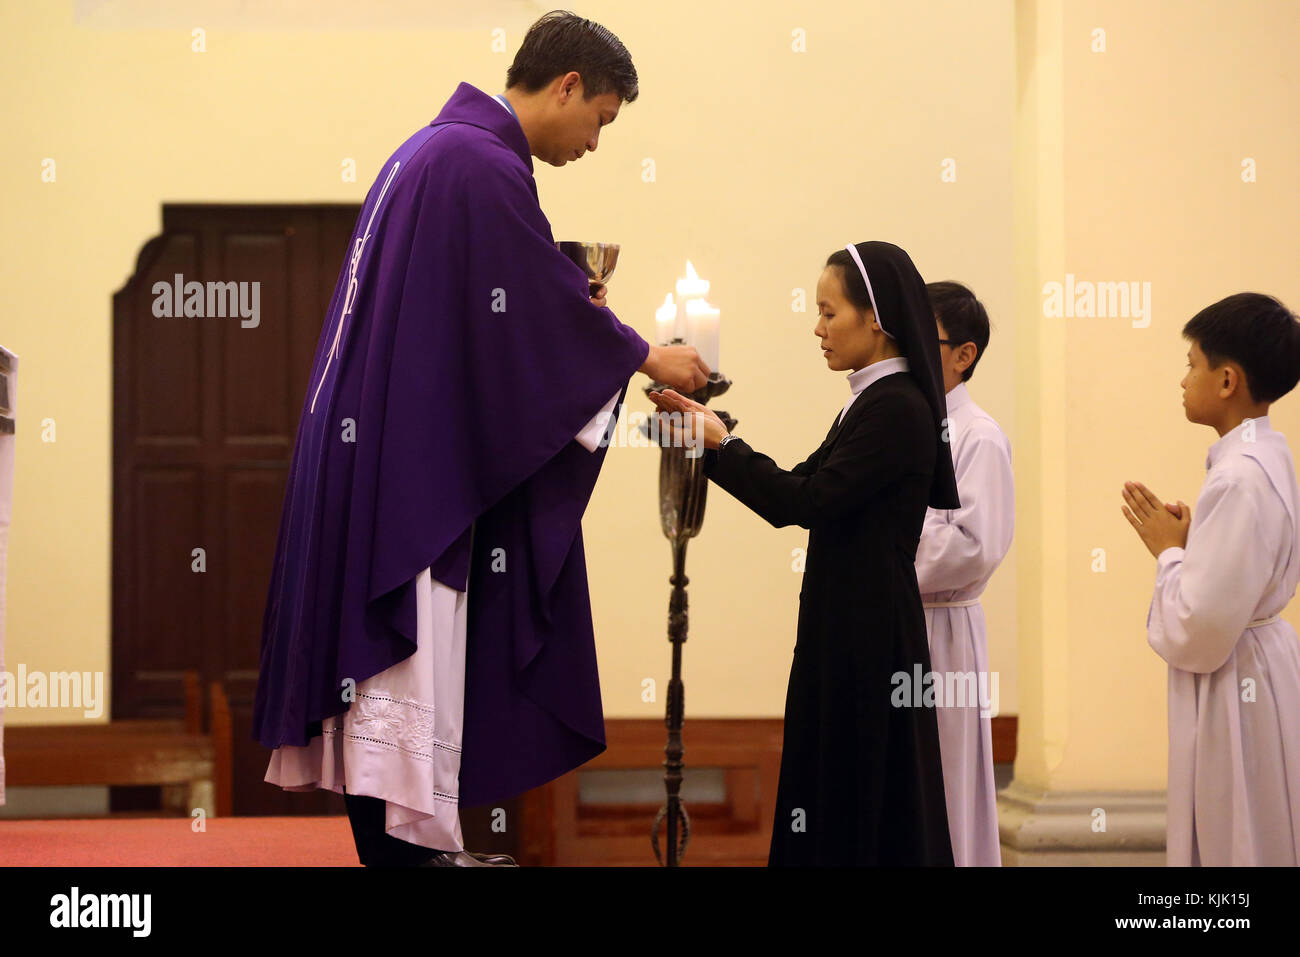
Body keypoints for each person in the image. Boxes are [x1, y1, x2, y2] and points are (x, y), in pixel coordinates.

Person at [252, 11, 709, 867]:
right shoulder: (480, 165)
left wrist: (581, 324)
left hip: (371, 452)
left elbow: (488, 323)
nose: (595, 144)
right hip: (408, 474)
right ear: (568, 85)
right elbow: (538, 315)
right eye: (601, 120)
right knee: (399, 667)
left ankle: (411, 852)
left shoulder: (428, 153)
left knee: (378, 691)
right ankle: (415, 854)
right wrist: (646, 353)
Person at [651, 241, 959, 865]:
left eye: (829, 312)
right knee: (837, 782)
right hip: (847, 621)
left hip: (872, 631)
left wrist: (720, 444)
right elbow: (794, 488)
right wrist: (713, 442)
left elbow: (808, 502)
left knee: (865, 789)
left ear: (876, 318)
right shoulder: (870, 398)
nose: (817, 328)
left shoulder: (896, 406)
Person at [1121, 292, 1300, 866]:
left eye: (1192, 363)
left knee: (1235, 831)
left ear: (1227, 381)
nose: (1183, 379)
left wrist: (1170, 554)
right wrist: (1196, 546)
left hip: (1236, 678)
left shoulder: (1239, 479)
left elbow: (1198, 632)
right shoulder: (1266, 455)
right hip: (1263, 664)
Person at [914, 281, 1013, 866]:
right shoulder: (904, 423)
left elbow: (975, 545)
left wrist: (885, 541)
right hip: (898, 621)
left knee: (946, 784)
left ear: (963, 354)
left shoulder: (979, 437)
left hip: (944, 633)